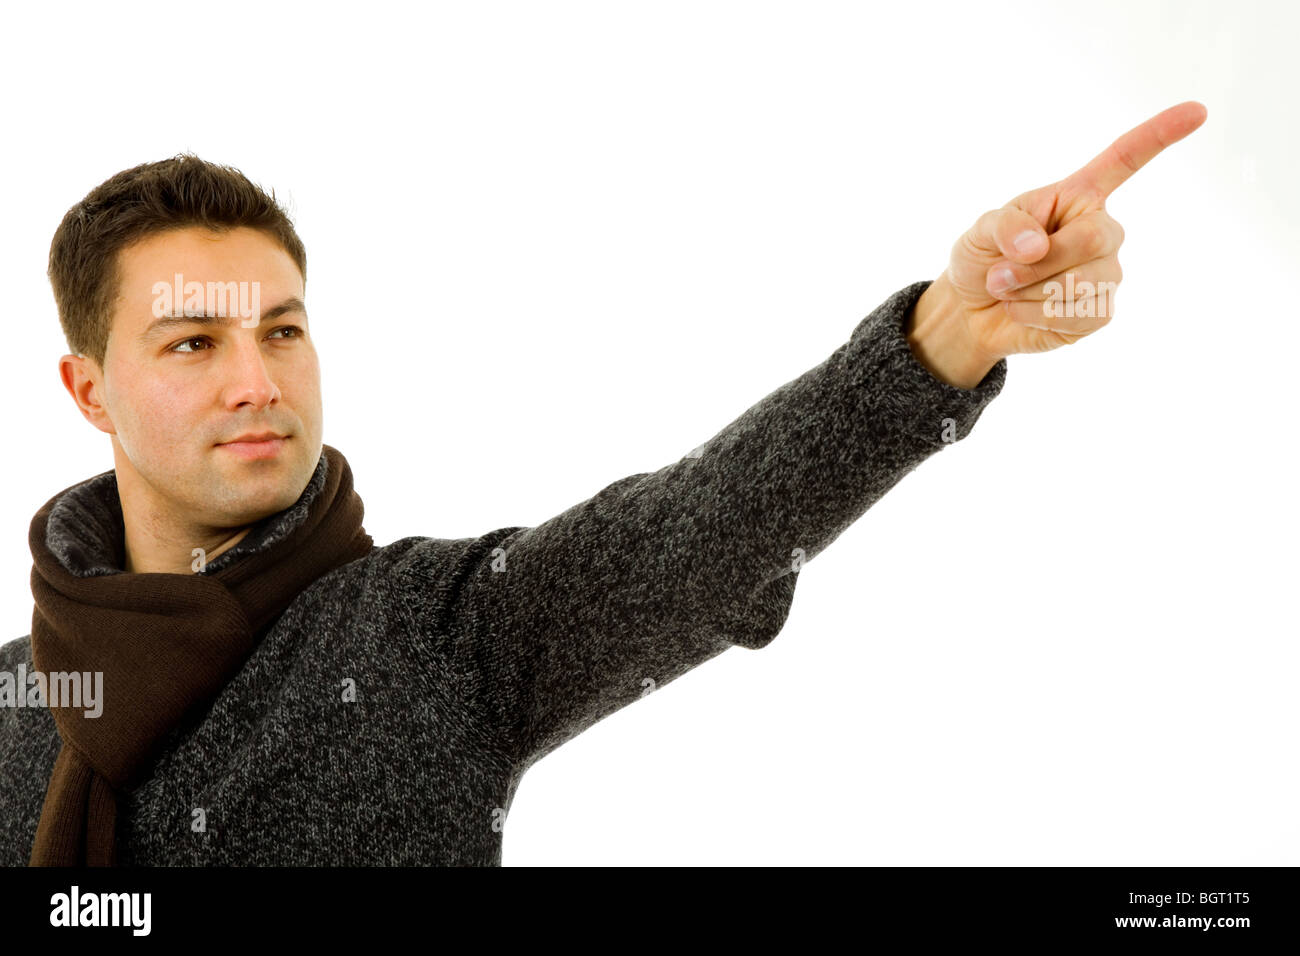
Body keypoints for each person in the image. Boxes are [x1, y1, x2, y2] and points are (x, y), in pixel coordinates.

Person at [0, 102, 1207, 866]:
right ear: (90, 389)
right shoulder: (21, 694)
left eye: (283, 329)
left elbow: (702, 530)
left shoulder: (438, 631)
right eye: (194, 343)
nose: (258, 380)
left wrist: (943, 334)